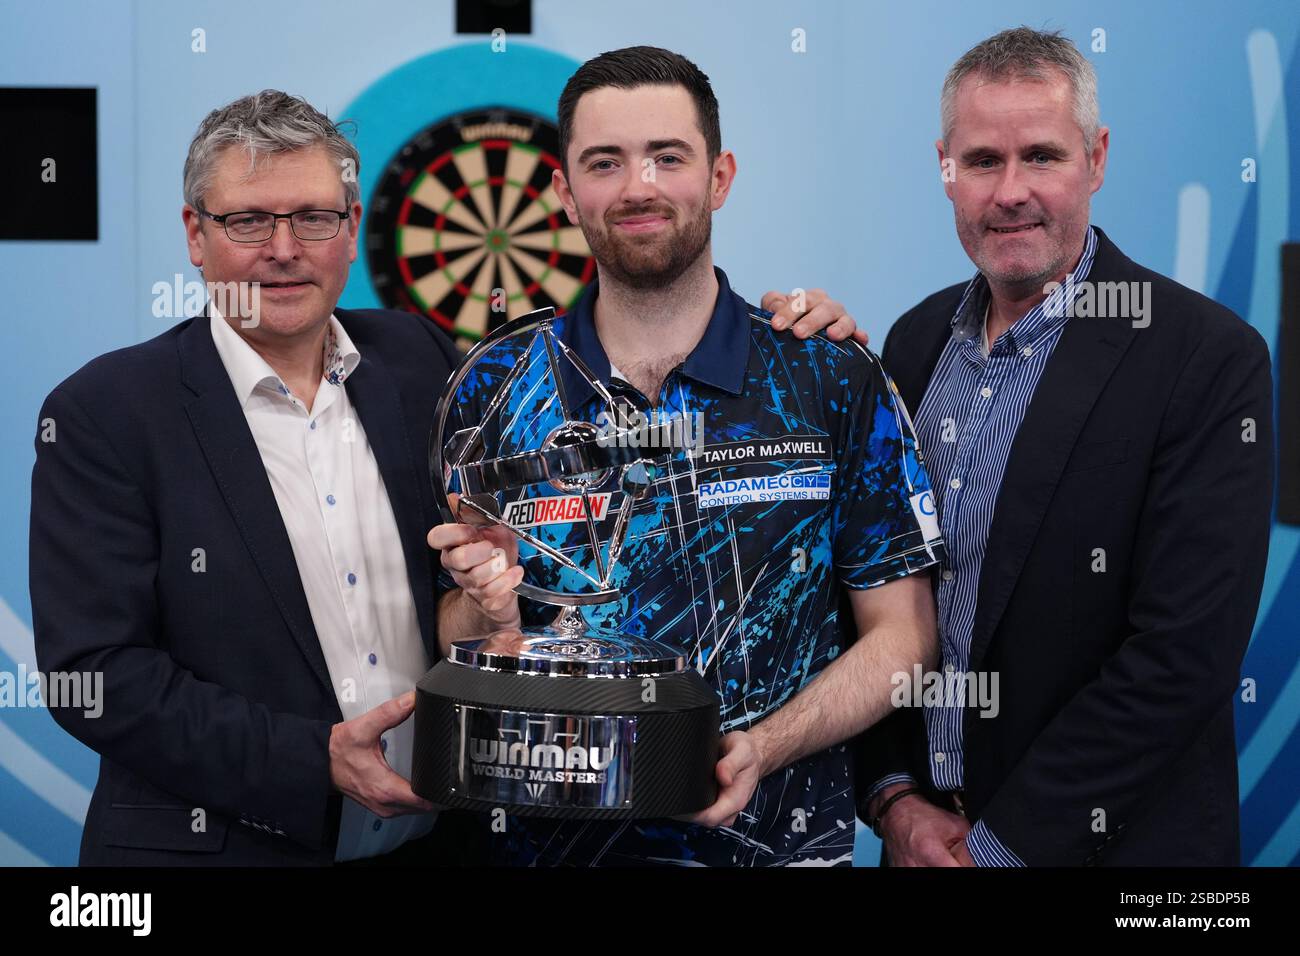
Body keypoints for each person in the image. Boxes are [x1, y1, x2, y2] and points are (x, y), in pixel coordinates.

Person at [29, 89, 861, 866]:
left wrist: (788, 336)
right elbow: (95, 675)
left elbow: (598, 429)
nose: (284, 251)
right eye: (248, 220)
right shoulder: (107, 412)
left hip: (442, 847)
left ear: (353, 229)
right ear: (193, 234)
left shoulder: (421, 362)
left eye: (315, 218)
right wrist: (313, 762)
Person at [430, 46, 945, 866]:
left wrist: (766, 747)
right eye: (606, 162)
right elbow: (457, 635)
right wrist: (485, 614)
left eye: (668, 157)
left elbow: (904, 636)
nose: (639, 186)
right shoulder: (492, 386)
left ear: (720, 177)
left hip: (774, 850)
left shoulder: (830, 375)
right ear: (564, 191)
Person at [850, 27, 1274, 866]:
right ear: (945, 167)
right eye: (981, 161)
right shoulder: (911, 342)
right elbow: (871, 601)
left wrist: (997, 852)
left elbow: (1181, 658)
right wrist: (895, 801)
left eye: (1042, 156)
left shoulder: (1205, 356)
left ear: (1097, 157)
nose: (1010, 192)